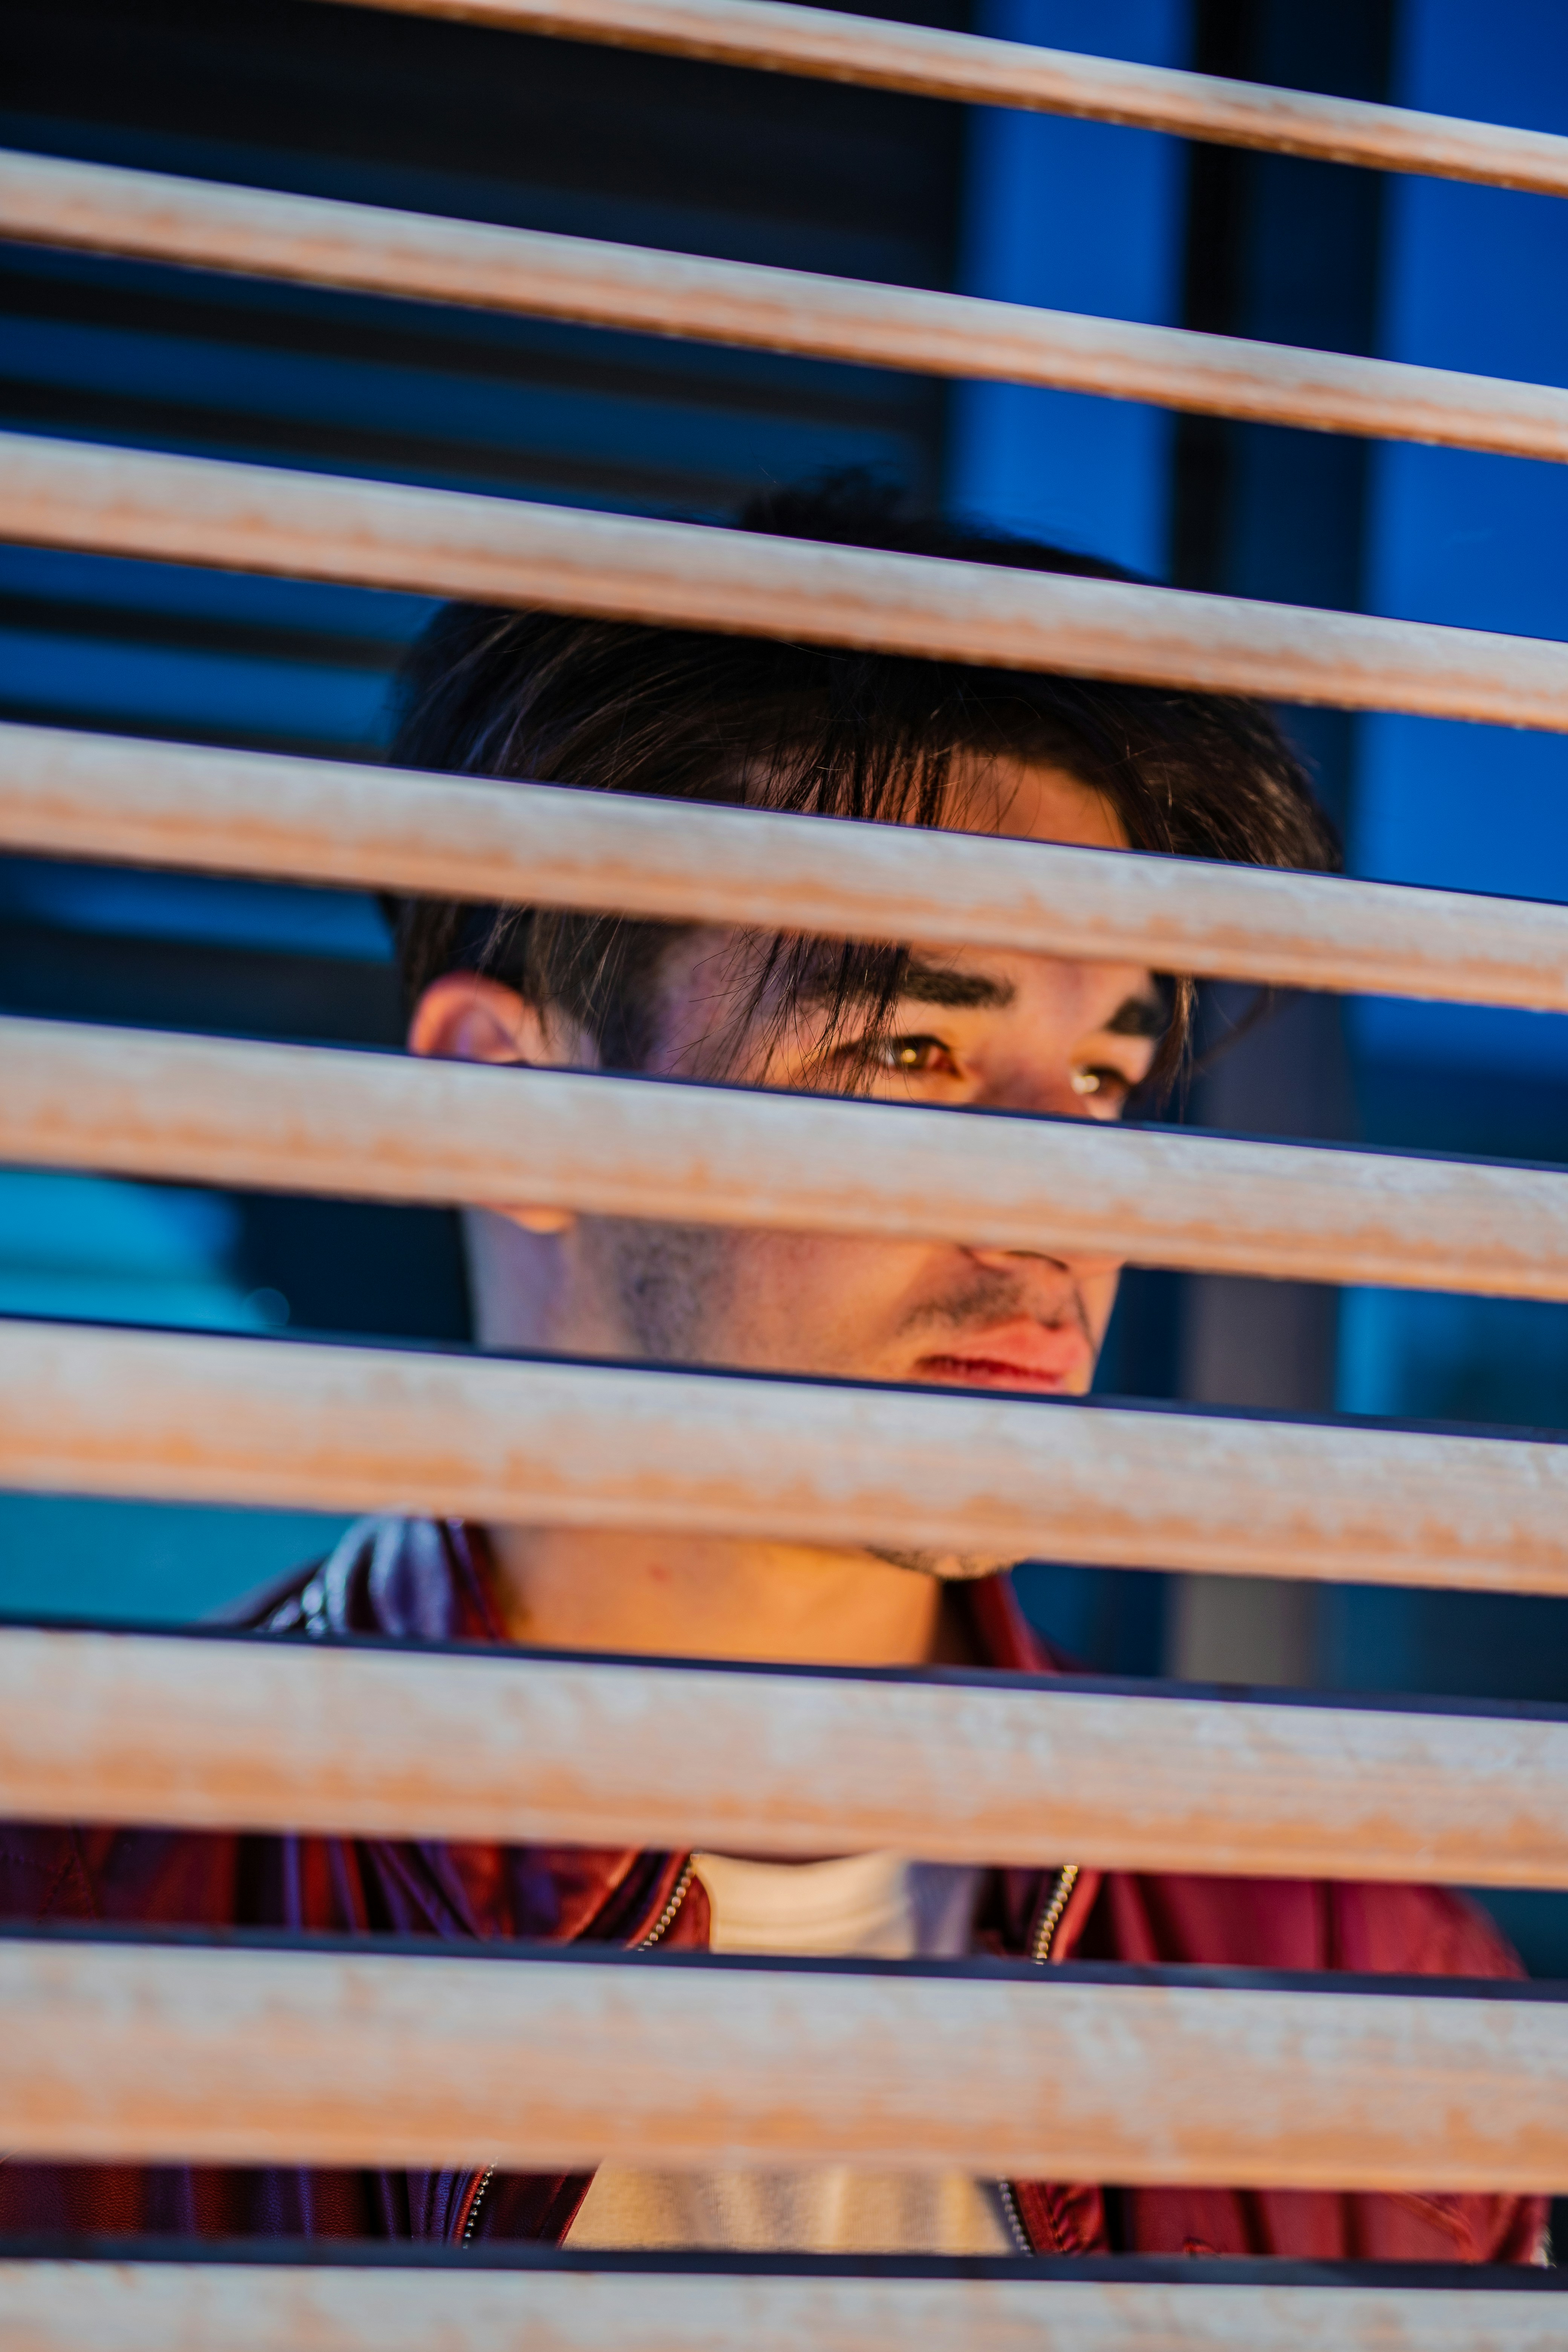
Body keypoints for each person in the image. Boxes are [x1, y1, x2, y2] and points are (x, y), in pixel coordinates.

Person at [0, 481, 1545, 2263]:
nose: (1064, 1208)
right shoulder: (89, 1935)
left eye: (1105, 1083)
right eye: (909, 1046)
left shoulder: (1358, 1995)